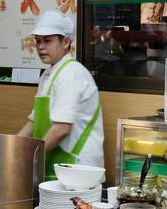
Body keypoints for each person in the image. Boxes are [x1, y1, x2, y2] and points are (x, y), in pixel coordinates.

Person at [17, 11, 104, 180]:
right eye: (38, 41)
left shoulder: (71, 73)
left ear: (65, 42)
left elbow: (61, 128)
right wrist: (13, 149)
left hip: (79, 168)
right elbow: (34, 121)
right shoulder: (48, 75)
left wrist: (29, 157)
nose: (41, 47)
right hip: (60, 165)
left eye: (48, 41)